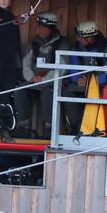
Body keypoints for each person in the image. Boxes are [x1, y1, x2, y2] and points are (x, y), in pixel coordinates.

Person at [63, 20, 107, 137]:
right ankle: (76, 128)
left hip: (100, 87)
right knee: (67, 93)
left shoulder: (106, 48)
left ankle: (96, 129)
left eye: (80, 37)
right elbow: (72, 68)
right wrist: (77, 79)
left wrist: (95, 82)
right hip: (82, 85)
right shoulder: (78, 48)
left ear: (90, 38)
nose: (78, 39)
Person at [20, 11, 68, 139]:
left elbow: (62, 67)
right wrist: (31, 78)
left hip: (52, 82)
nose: (39, 29)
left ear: (51, 29)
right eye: (38, 26)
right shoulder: (33, 42)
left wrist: (44, 79)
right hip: (34, 81)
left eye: (42, 27)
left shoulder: (62, 43)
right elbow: (26, 63)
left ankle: (49, 129)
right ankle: (23, 127)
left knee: (48, 94)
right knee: (19, 90)